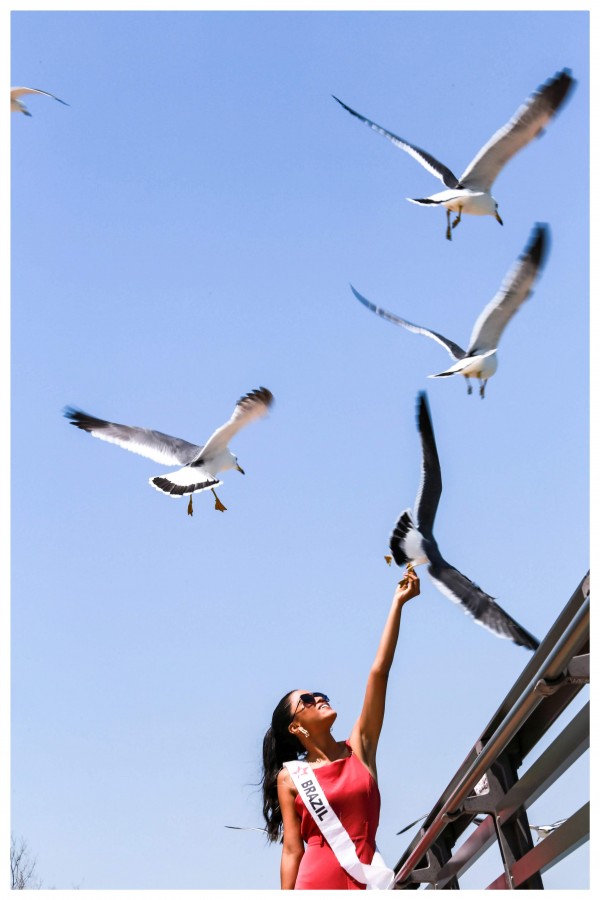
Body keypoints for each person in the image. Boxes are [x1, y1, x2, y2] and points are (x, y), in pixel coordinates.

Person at [260, 569, 420, 890]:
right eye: (306, 700)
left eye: (319, 693)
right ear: (295, 727)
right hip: (316, 881)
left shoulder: (360, 747)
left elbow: (379, 673)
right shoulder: (291, 777)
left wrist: (398, 604)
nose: (318, 697)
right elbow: (293, 850)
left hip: (365, 877)